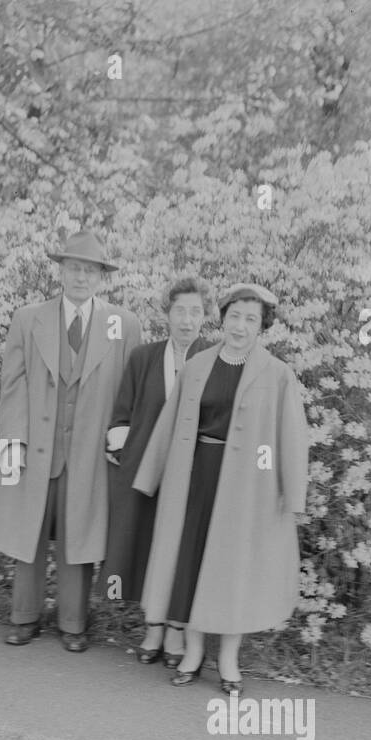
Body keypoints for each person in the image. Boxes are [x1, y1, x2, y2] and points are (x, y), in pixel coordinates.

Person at [133, 283, 309, 694]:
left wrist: (292, 494)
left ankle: (229, 662)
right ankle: (192, 654)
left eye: (251, 319)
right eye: (234, 316)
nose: (240, 326)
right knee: (190, 566)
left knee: (234, 572)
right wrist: (150, 476)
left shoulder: (278, 374)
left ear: (262, 326)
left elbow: (291, 438)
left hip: (247, 489)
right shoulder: (198, 365)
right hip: (195, 479)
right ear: (223, 318)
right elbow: (169, 423)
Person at [0, 231, 143, 652]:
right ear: (61, 270)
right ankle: (25, 617)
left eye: (90, 270)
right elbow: (13, 383)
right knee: (30, 532)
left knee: (80, 536)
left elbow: (131, 391)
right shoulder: (29, 317)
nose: (81, 277)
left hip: (91, 451)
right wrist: (14, 440)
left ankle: (74, 624)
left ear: (101, 278)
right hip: (38, 446)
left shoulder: (123, 324)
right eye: (74, 268)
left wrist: (120, 440)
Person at [103, 276, 216, 666]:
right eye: (180, 311)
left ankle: (175, 630)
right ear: (166, 314)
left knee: (181, 549)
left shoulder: (215, 360)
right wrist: (121, 449)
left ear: (206, 316)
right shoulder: (143, 358)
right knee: (147, 545)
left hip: (191, 473)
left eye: (196, 312)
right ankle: (152, 626)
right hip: (144, 468)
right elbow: (122, 413)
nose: (187, 320)